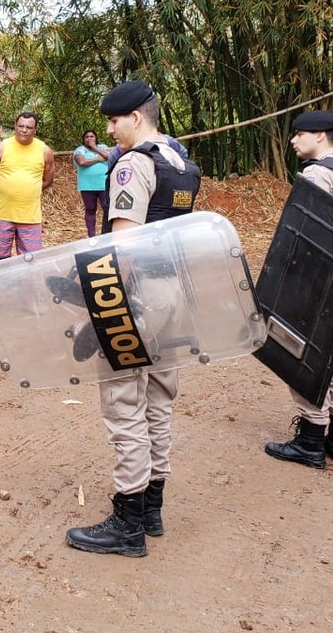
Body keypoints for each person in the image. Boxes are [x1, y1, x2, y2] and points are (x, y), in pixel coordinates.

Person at [66, 80, 201, 558]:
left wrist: (95, 309)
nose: (109, 129)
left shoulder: (135, 164)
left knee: (126, 402)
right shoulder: (183, 163)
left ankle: (127, 523)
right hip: (174, 296)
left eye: (113, 121)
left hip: (137, 296)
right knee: (160, 399)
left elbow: (123, 246)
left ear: (135, 118)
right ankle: (151, 508)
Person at [264, 109, 333, 469]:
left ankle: (310, 439)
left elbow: (307, 231)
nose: (293, 140)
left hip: (315, 280)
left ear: (320, 136)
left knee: (302, 354)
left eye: (299, 134)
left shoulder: (319, 173)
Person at [0, 112, 54, 259]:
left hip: (30, 216)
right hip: (3, 213)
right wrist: (7, 189)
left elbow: (48, 180)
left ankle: (25, 283)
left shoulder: (44, 150)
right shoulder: (1, 148)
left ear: (35, 130)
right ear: (15, 126)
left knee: (30, 259)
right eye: (21, 126)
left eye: (29, 127)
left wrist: (30, 189)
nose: (24, 130)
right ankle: (1, 283)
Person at [74, 130, 111, 237]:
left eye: (92, 136)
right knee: (90, 209)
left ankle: (107, 233)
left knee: (107, 207)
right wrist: (98, 159)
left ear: (96, 138)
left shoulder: (103, 147)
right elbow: (82, 162)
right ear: (83, 139)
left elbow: (109, 157)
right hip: (87, 186)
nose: (89, 139)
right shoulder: (80, 150)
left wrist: (95, 148)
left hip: (104, 184)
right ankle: (91, 235)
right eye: (87, 137)